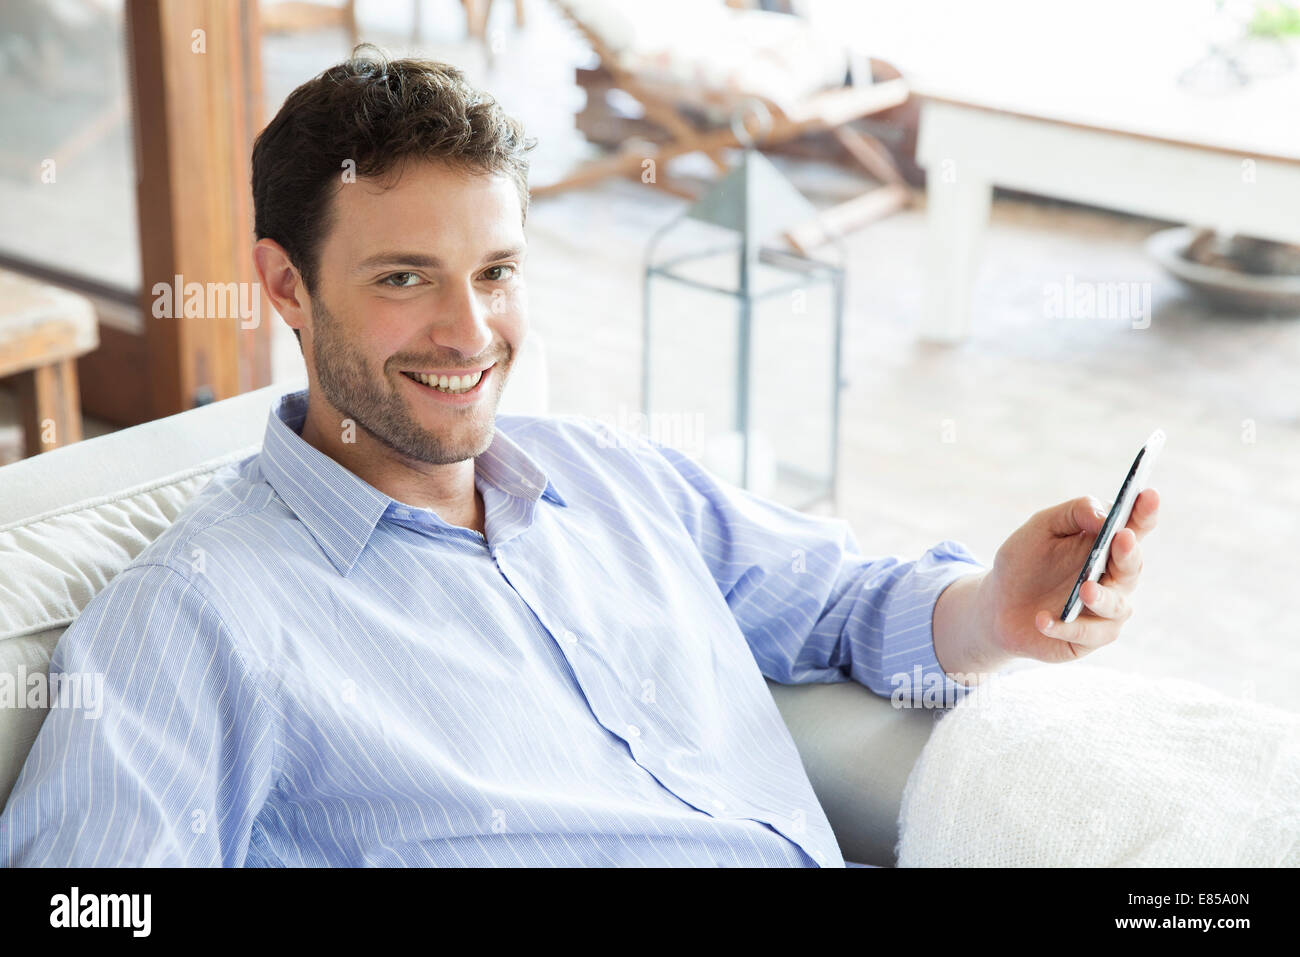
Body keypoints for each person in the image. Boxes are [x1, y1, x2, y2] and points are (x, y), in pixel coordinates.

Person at [0, 47, 1158, 867]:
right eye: (405, 279)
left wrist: (996, 610)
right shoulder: (191, 621)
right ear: (284, 285)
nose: (469, 334)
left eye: (495, 273)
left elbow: (847, 611)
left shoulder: (612, 477)